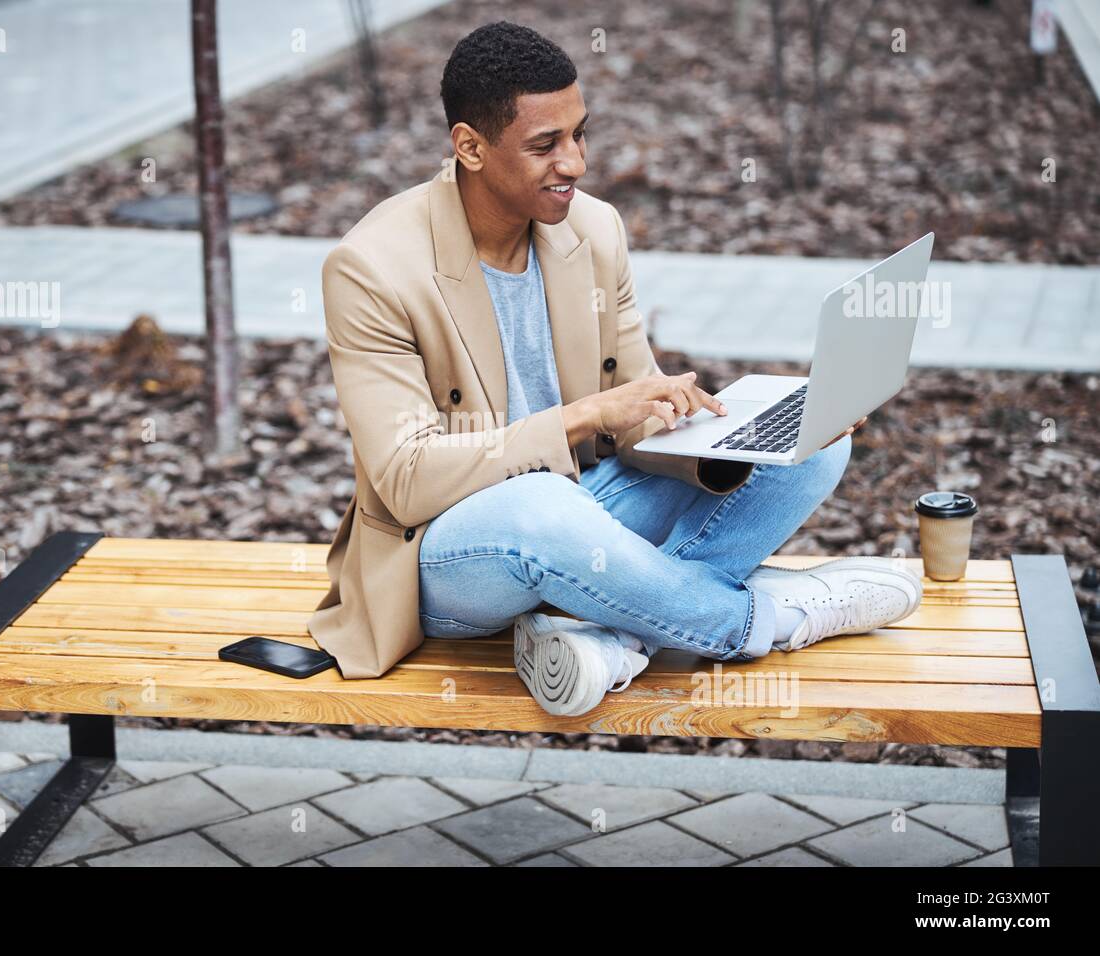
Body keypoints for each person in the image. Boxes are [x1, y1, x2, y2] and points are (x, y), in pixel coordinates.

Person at [308, 21, 922, 716]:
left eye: (579, 135)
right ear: (470, 147)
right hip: (451, 559)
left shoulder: (592, 231)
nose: (575, 163)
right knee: (543, 505)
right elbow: (407, 480)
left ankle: (607, 640)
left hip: (586, 517)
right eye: (546, 145)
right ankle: (768, 619)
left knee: (813, 445)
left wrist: (736, 438)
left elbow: (636, 424)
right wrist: (583, 416)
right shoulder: (372, 269)